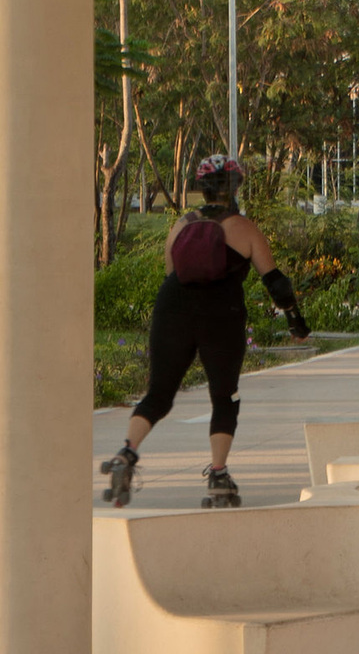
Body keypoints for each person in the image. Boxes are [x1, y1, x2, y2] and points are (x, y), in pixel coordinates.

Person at [100, 155, 312, 508]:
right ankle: (217, 473)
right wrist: (295, 321)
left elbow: (171, 273)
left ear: (202, 189)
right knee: (224, 396)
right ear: (235, 188)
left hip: (172, 310)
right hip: (221, 315)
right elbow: (276, 283)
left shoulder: (181, 225)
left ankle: (126, 454)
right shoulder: (243, 227)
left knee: (158, 395)